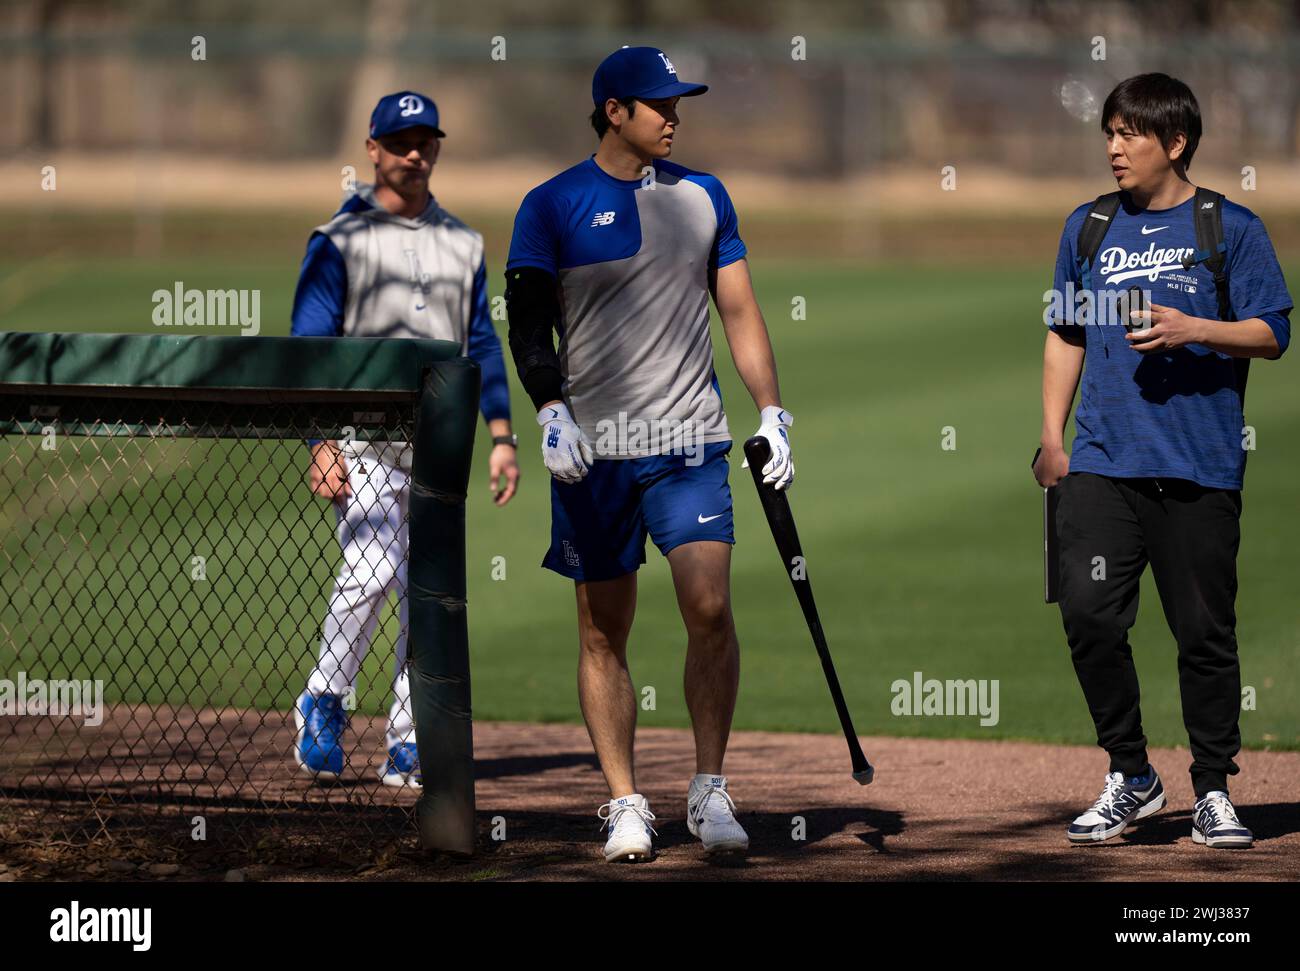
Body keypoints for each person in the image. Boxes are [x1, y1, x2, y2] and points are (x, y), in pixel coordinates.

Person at [504, 46, 794, 862]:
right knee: (604, 630)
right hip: (595, 454)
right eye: (659, 103)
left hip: (688, 442)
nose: (675, 115)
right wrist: (551, 410)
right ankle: (625, 799)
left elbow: (739, 312)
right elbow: (528, 322)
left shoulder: (705, 197)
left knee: (708, 606)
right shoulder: (550, 204)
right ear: (612, 110)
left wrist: (773, 412)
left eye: (679, 102)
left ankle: (708, 788)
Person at [1035, 73, 1291, 848]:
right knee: (1086, 612)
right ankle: (1132, 774)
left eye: (1130, 134)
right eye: (1109, 132)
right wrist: (1053, 435)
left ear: (1174, 142)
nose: (1114, 146)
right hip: (1105, 462)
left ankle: (1213, 788)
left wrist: (1192, 329)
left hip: (1200, 467)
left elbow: (1273, 331)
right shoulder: (1086, 228)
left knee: (1204, 635)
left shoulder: (1229, 227)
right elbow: (1065, 333)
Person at [291, 90, 519, 787]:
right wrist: (318, 442)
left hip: (438, 444)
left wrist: (503, 433)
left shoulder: (462, 242)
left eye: (425, 141)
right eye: (400, 142)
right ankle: (323, 700)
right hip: (361, 438)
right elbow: (310, 347)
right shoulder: (338, 240)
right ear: (372, 150)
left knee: (428, 590)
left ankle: (408, 737)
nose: (415, 154)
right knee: (371, 571)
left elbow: (479, 337)